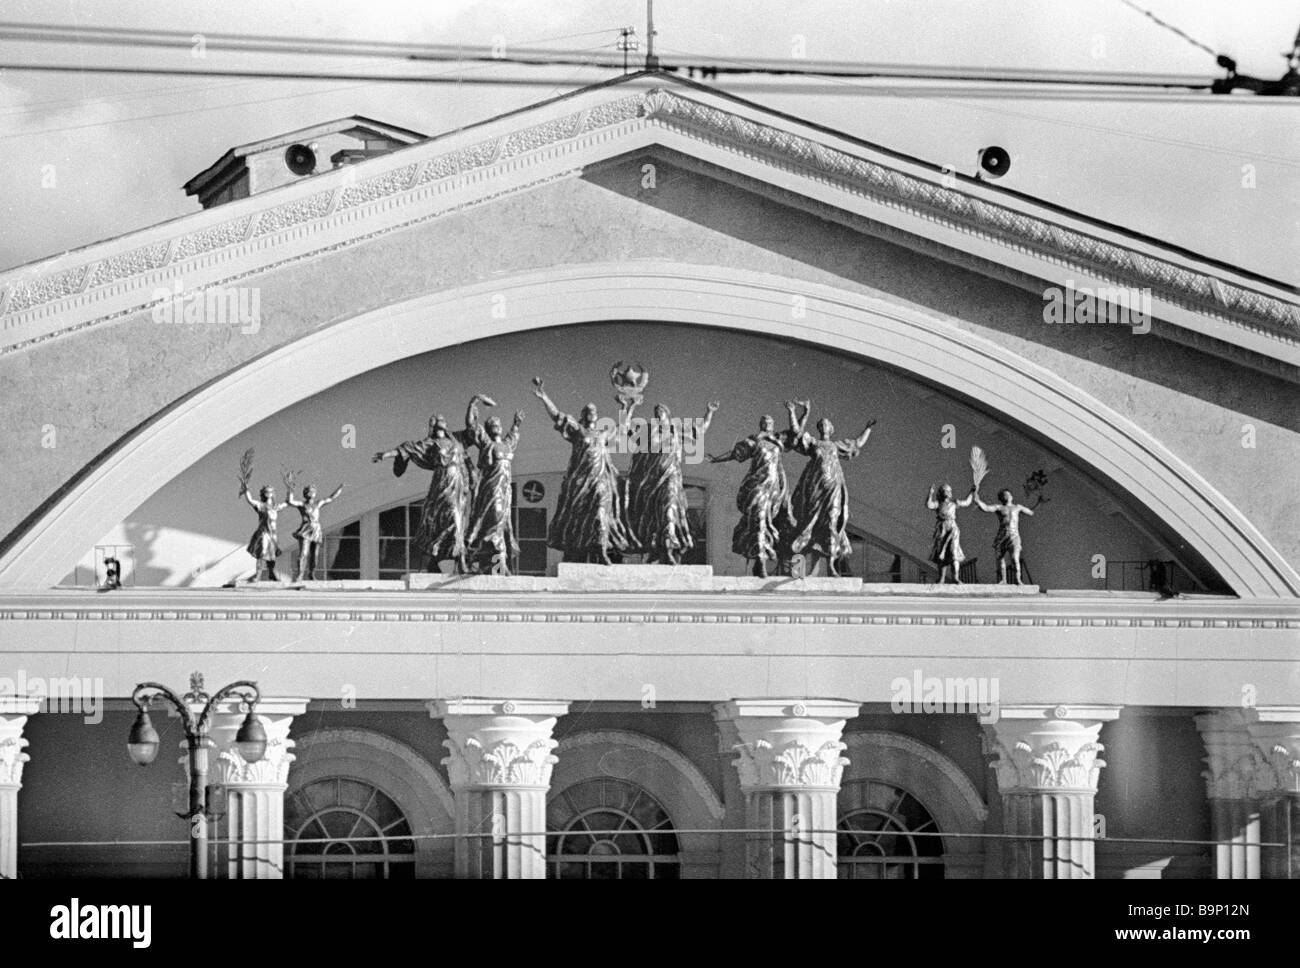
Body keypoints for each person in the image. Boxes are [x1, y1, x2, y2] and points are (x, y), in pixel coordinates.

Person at [532, 376, 633, 564]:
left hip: (600, 479)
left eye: (594, 411)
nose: (592, 412)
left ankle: (601, 548)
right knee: (577, 518)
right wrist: (544, 397)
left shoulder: (603, 434)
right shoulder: (577, 430)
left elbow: (622, 427)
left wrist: (625, 407)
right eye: (588, 410)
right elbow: (557, 416)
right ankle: (574, 551)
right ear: (584, 415)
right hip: (580, 482)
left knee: (601, 512)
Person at [373, 412, 474, 574]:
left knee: (458, 520)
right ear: (433, 425)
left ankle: (457, 557)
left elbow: (472, 431)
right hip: (442, 483)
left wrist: (473, 405)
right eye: (438, 420)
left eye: (443, 419)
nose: (442, 421)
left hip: (458, 484)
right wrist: (386, 455)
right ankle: (436, 552)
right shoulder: (430, 443)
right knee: (440, 519)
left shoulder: (456, 439)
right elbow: (408, 448)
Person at [785, 402, 876, 577]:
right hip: (815, 491)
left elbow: (857, 443)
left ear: (831, 429)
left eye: (826, 424)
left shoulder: (836, 446)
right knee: (807, 524)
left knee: (831, 524)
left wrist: (868, 429)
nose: (823, 425)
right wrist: (794, 411)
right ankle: (798, 569)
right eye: (821, 424)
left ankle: (831, 566)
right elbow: (796, 432)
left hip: (833, 489)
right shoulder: (814, 443)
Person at [709, 408, 798, 578]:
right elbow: (735, 454)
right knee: (759, 518)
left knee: (774, 521)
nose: (767, 423)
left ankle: (767, 559)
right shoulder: (754, 441)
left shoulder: (778, 441)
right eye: (764, 421)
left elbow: (795, 433)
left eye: (770, 421)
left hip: (775, 488)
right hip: (757, 485)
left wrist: (794, 411)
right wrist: (716, 459)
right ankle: (761, 559)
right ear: (761, 424)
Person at [627, 401, 718, 564]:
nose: (658, 414)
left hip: (671, 476)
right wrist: (629, 408)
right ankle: (658, 547)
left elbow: (700, 430)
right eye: (656, 412)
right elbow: (627, 429)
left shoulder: (676, 430)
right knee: (654, 515)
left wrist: (709, 412)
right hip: (653, 481)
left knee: (669, 506)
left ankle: (669, 544)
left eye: (661, 411)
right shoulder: (649, 432)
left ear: (667, 414)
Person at [465, 396, 524, 574]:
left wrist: (516, 423)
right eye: (492, 424)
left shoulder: (507, 445)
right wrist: (473, 403)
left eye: (498, 424)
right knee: (496, 522)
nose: (496, 426)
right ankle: (498, 564)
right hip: (491, 490)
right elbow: (472, 426)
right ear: (488, 429)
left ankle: (493, 565)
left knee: (502, 525)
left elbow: (513, 436)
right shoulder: (487, 443)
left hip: (505, 492)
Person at [972, 487, 1035, 585]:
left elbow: (1030, 512)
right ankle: (1003, 580)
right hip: (1002, 535)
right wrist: (978, 501)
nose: (1007, 496)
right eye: (1005, 495)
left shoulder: (1017, 507)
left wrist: (1038, 503)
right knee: (1000, 558)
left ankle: (1018, 579)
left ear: (1011, 496)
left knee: (1015, 558)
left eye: (1008, 494)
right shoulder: (999, 507)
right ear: (1001, 498)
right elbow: (986, 508)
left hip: (1014, 535)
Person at [286, 483, 343, 581]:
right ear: (305, 494)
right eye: (309, 491)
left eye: (312, 491)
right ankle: (300, 574)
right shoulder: (302, 504)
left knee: (315, 555)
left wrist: (340, 488)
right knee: (303, 553)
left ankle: (311, 574)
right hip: (306, 529)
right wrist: (290, 489)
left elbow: (331, 498)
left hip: (316, 529)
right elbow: (290, 501)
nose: (311, 493)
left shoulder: (318, 503)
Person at [927, 483, 976, 584]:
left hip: (952, 528)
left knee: (954, 552)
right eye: (945, 490)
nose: (948, 492)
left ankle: (955, 577)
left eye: (949, 490)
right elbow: (929, 505)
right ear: (941, 493)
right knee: (941, 554)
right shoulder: (938, 503)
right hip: (942, 528)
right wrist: (930, 493)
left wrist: (972, 492)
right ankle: (941, 578)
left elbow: (967, 502)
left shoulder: (954, 503)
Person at [241, 484, 287, 582]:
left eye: (270, 491)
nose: (268, 493)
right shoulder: (261, 505)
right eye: (266, 491)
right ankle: (258, 574)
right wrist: (246, 490)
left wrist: (290, 491)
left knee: (272, 555)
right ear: (263, 494)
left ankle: (272, 573)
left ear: (273, 493)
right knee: (262, 553)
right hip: (264, 532)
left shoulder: (275, 507)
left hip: (273, 534)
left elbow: (287, 503)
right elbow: (250, 500)